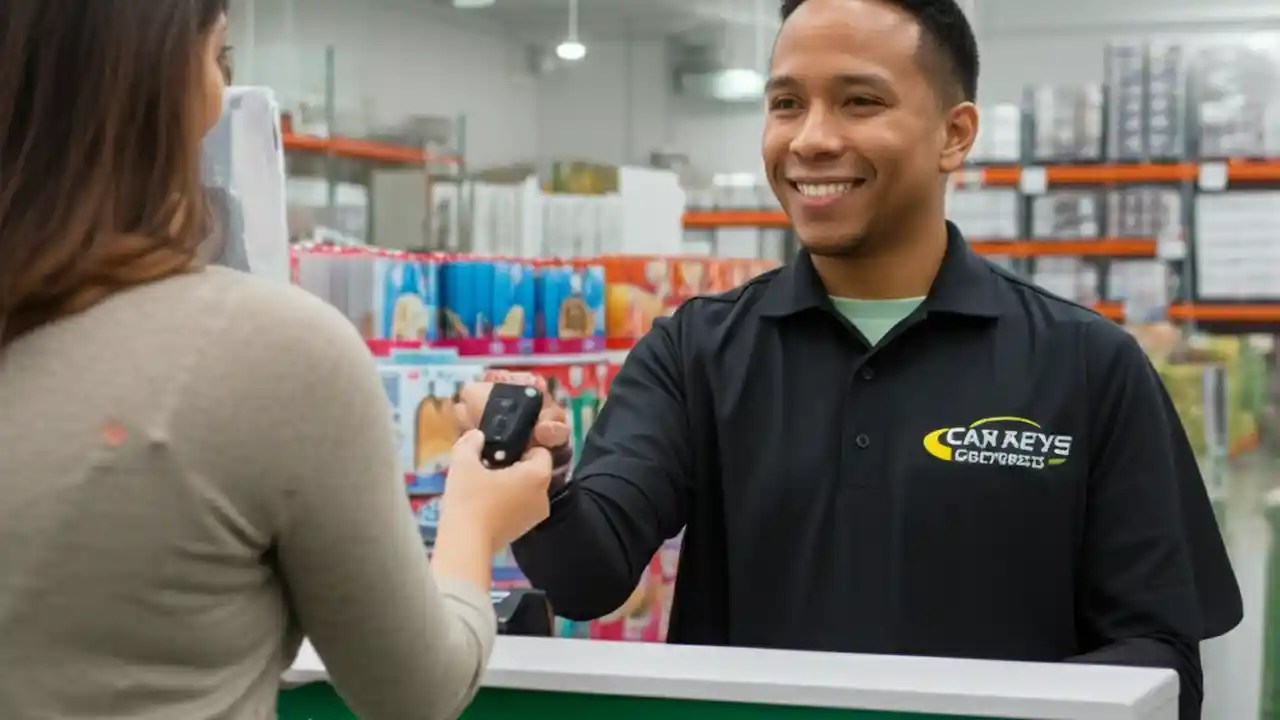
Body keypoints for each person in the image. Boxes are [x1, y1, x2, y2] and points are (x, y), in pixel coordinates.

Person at [455, 1, 1243, 718]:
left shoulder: (1089, 366)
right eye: (786, 103)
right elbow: (589, 579)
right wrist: (541, 483)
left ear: (955, 134)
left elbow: (1158, 656)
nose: (811, 138)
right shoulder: (696, 349)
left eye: (860, 101)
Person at [0, 3, 552, 719]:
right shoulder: (275, 352)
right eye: (219, 55)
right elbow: (416, 690)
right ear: (167, 86)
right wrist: (474, 521)